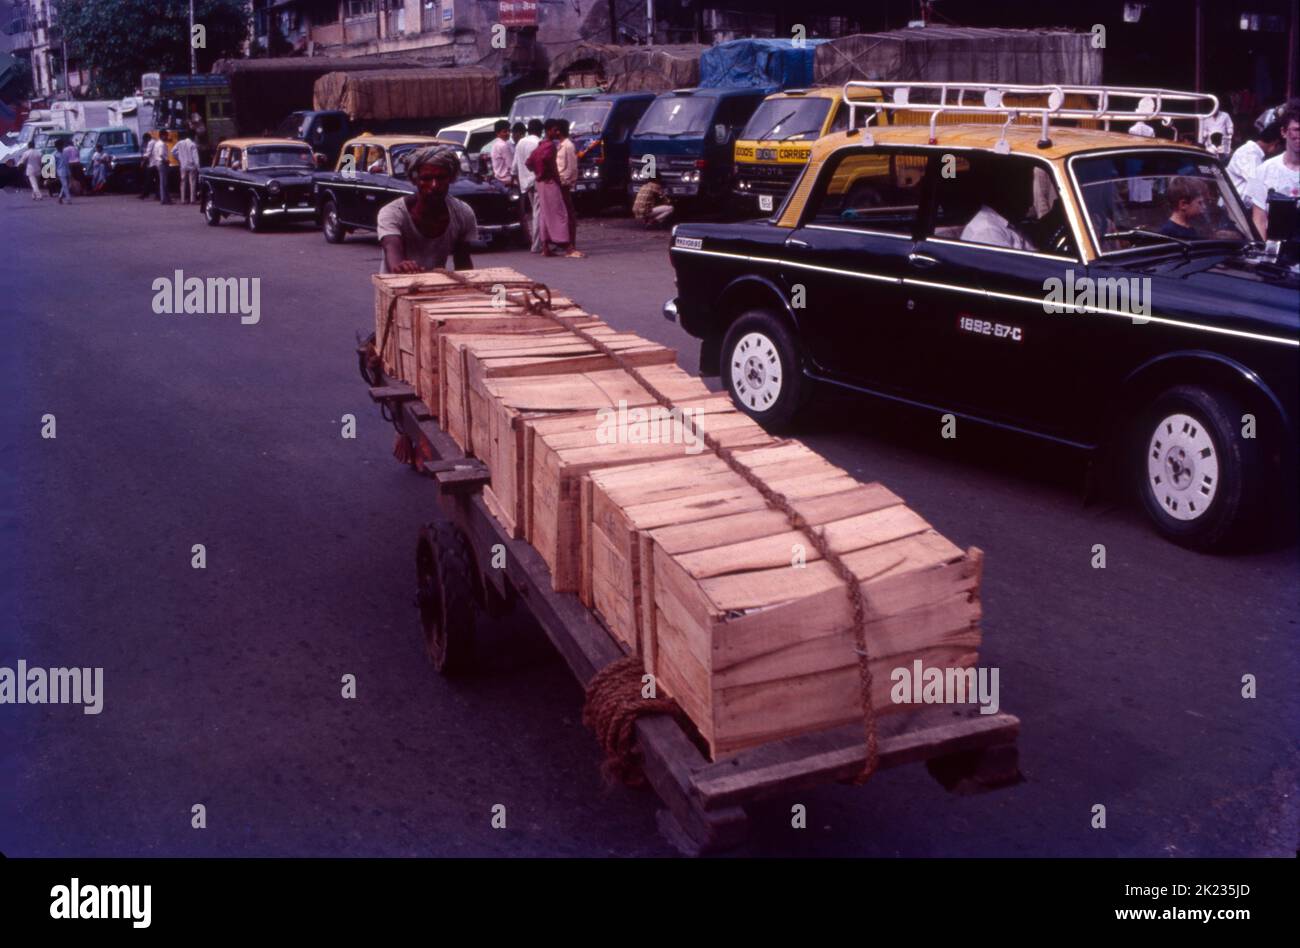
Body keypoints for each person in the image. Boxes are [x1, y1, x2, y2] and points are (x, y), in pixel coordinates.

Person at [377, 145, 477, 275]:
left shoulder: (463, 213)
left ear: (450, 179)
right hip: (394, 288)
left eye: (441, 178)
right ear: (415, 180)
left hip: (434, 288)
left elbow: (463, 265)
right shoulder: (392, 213)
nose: (434, 185)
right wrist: (401, 266)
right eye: (426, 178)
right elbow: (392, 250)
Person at [527, 121, 580, 258]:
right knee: (561, 215)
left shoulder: (542, 145)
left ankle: (546, 247)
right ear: (549, 130)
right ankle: (568, 247)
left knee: (545, 214)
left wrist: (538, 173)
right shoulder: (550, 146)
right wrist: (553, 176)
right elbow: (551, 165)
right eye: (554, 130)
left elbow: (529, 162)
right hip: (551, 182)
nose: (556, 132)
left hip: (542, 182)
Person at [1247, 102, 1300, 236]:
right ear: (1283, 132)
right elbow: (1259, 219)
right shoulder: (1263, 171)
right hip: (1278, 250)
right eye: (1297, 129)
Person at [960, 164, 1033, 250]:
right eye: (1024, 190)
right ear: (1005, 191)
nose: (1030, 201)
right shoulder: (988, 232)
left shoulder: (1005, 223)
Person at [1225, 121, 1283, 205]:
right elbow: (1257, 187)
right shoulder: (1248, 153)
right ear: (1276, 144)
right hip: (1233, 210)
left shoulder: (1258, 156)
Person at [513, 118, 544, 253]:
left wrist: (515, 177)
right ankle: (536, 244)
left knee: (534, 212)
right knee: (538, 213)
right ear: (540, 130)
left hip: (525, 182)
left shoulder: (520, 142)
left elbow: (514, 166)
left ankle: (538, 242)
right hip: (536, 180)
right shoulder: (538, 143)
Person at [553, 118, 581, 252]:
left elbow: (572, 168)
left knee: (569, 214)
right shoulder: (560, 144)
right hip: (558, 183)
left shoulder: (568, 145)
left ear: (559, 131)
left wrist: (567, 182)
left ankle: (571, 243)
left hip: (564, 183)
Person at [173, 131, 200, 205]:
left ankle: (183, 199)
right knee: (192, 182)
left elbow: (173, 151)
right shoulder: (192, 144)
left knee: (183, 182)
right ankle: (192, 200)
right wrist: (198, 167)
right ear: (192, 137)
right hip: (192, 165)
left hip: (183, 165)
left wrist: (179, 158)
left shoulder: (180, 143)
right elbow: (196, 157)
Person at [489, 118, 515, 189]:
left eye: (509, 131)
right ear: (497, 133)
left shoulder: (496, 144)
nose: (508, 133)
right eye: (505, 132)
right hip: (506, 180)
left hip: (498, 179)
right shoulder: (503, 145)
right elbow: (511, 165)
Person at [154, 135, 172, 205]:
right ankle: (164, 199)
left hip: (158, 163)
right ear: (163, 136)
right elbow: (161, 154)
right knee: (164, 182)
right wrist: (166, 160)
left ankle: (166, 198)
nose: (167, 137)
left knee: (162, 182)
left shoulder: (157, 143)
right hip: (162, 163)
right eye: (166, 135)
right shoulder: (162, 144)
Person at [138, 133, 156, 200]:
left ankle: (144, 194)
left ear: (147, 138)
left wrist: (142, 162)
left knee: (148, 180)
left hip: (152, 164)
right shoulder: (155, 141)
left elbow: (147, 154)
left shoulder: (150, 143)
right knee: (156, 180)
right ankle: (157, 195)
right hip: (155, 163)